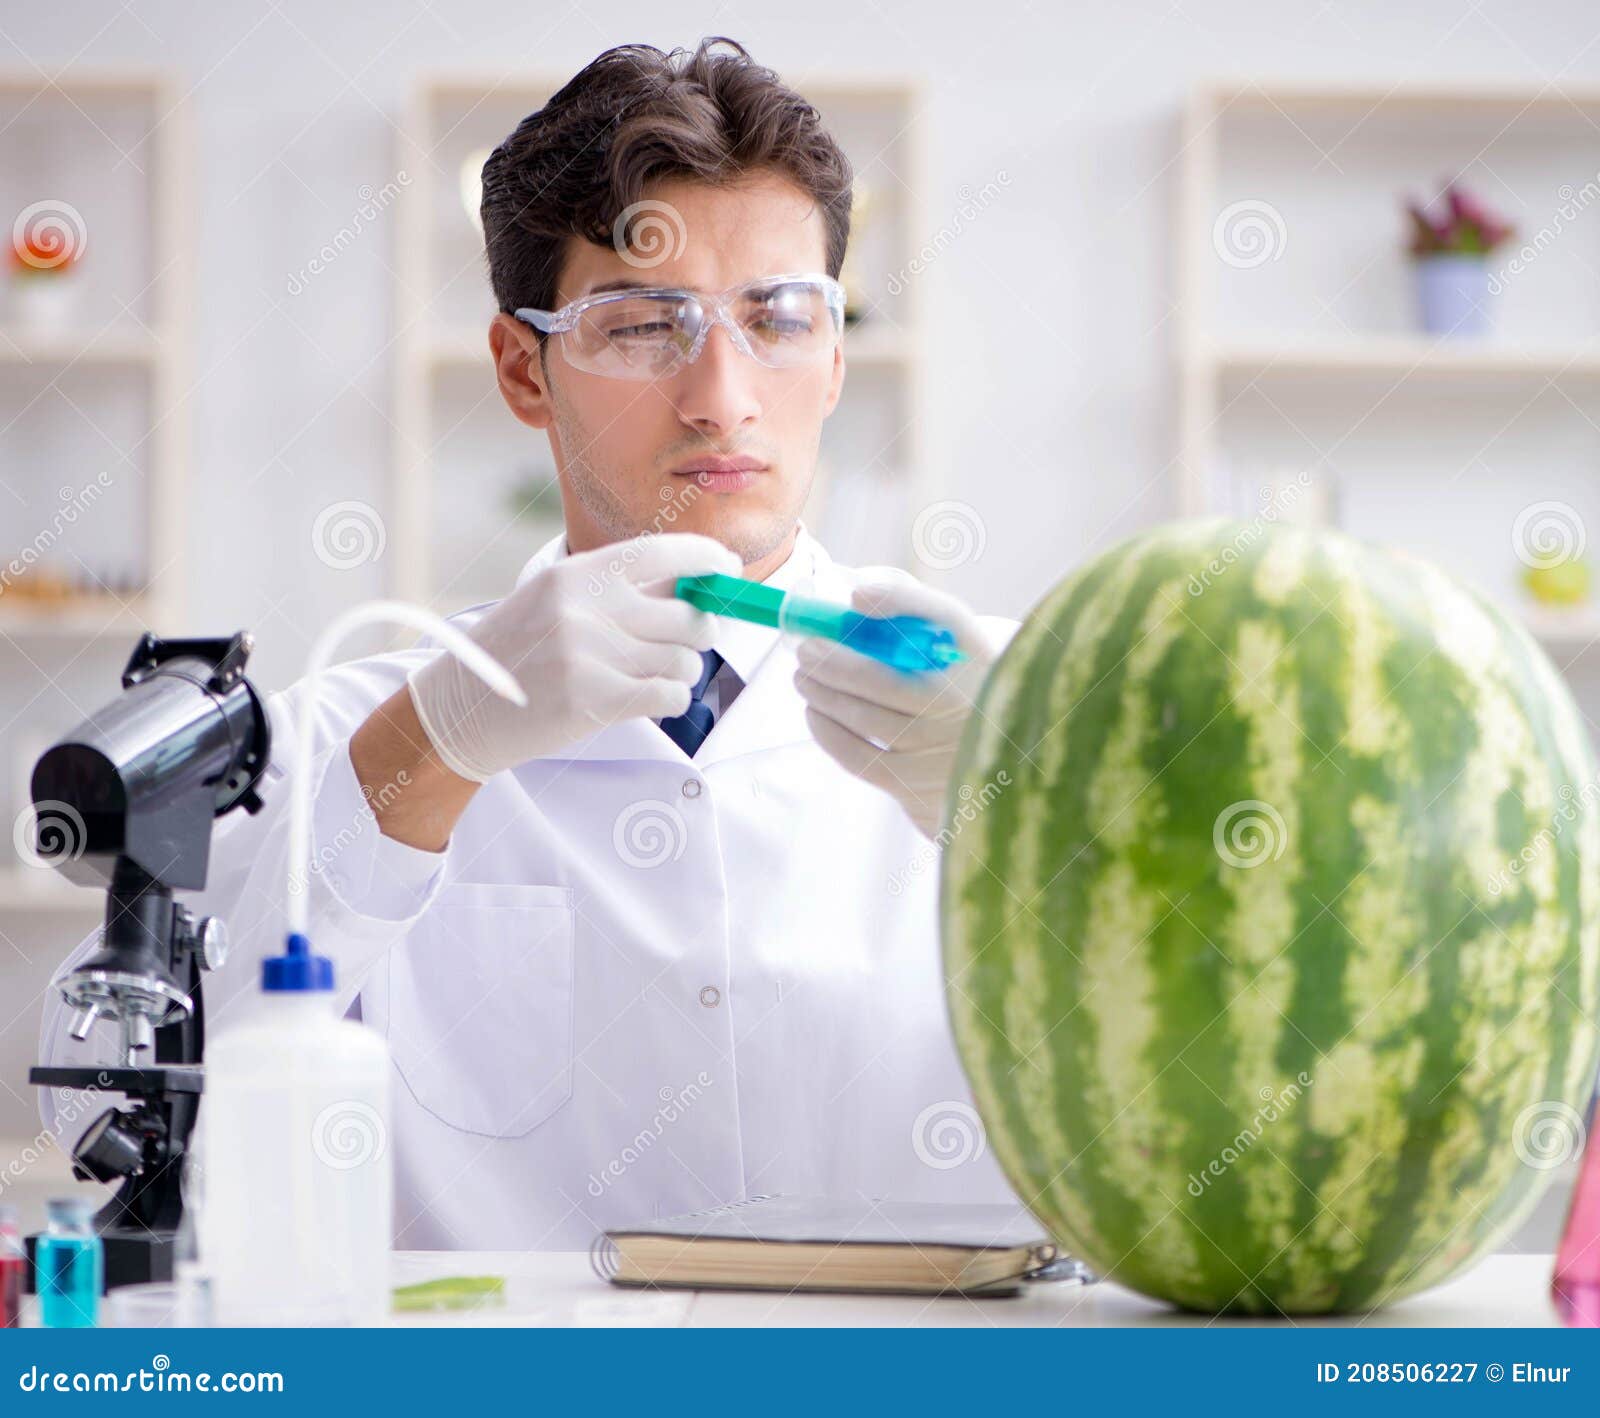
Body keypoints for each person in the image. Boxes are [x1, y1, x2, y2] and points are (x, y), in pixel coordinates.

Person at [41, 37, 1021, 1250]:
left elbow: (1258, 1076)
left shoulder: (1006, 703)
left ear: (831, 356)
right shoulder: (351, 729)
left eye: (777, 316)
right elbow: (103, 1092)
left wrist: (1035, 829)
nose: (721, 392)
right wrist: (425, 757)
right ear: (522, 368)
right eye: (643, 324)